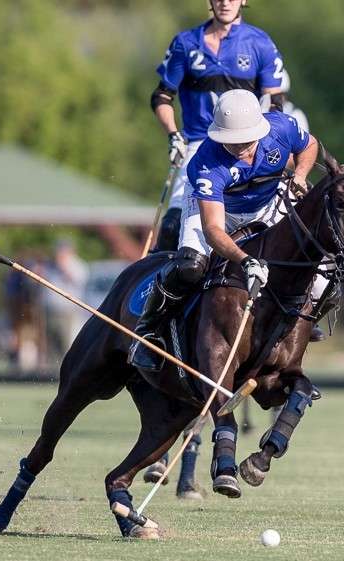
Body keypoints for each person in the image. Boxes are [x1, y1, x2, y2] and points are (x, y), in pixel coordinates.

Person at [129, 89, 318, 372]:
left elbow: (310, 145)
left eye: (245, 140)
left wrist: (301, 175)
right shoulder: (206, 164)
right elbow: (214, 230)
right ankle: (147, 332)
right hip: (219, 210)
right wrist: (245, 260)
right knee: (190, 266)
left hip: (266, 201)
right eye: (231, 141)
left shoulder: (282, 126)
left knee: (307, 251)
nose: (239, 147)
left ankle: (299, 319)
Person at [150, 0, 287, 252]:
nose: (225, 2)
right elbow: (162, 97)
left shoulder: (260, 43)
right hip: (200, 145)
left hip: (249, 145)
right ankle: (158, 289)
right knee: (171, 226)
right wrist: (173, 135)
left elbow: (274, 102)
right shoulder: (186, 43)